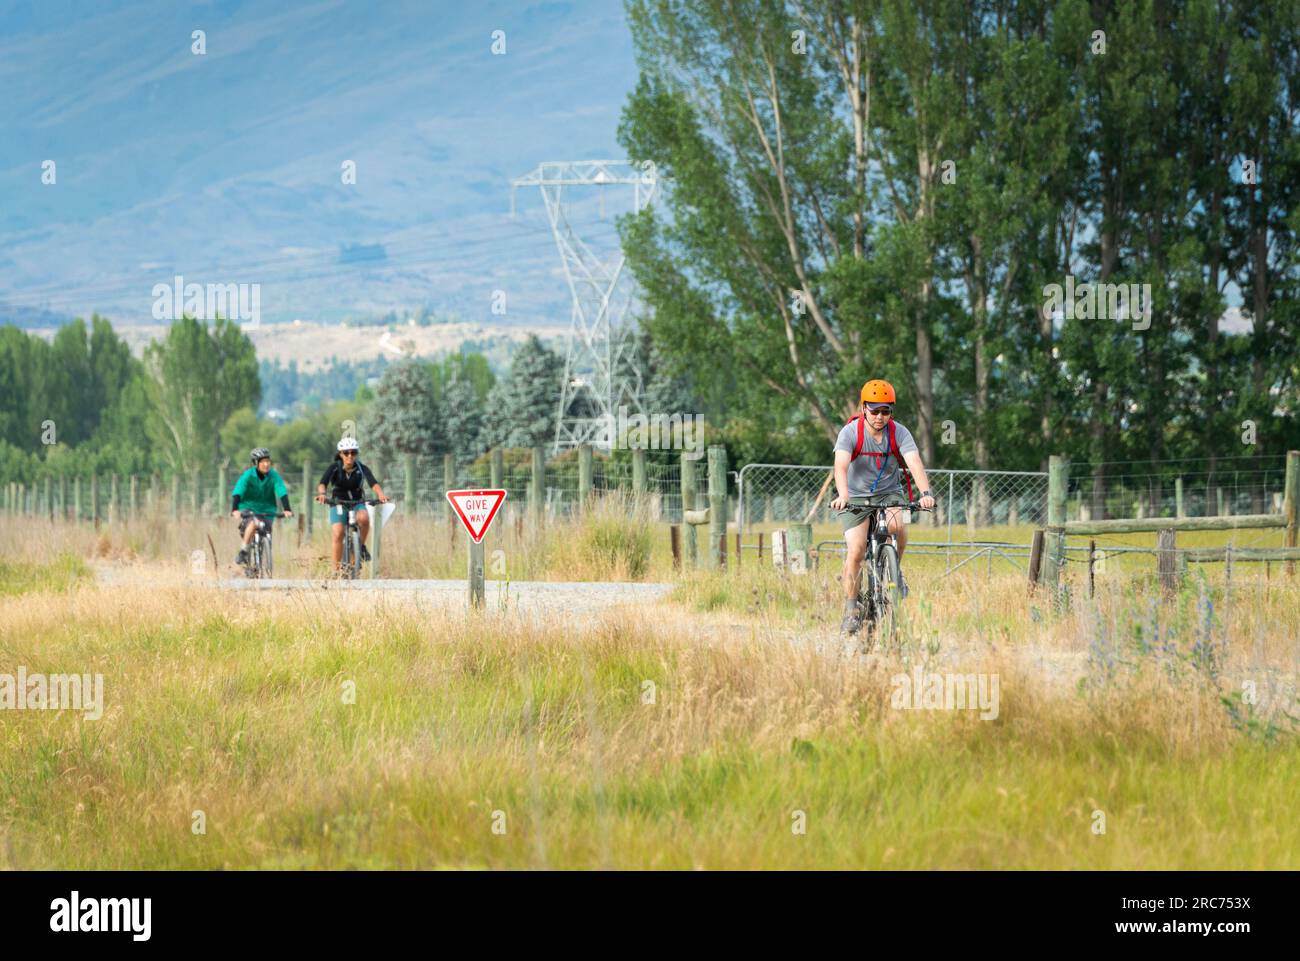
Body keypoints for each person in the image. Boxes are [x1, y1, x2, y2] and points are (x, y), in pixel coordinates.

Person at [829, 380, 936, 633]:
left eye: (885, 411)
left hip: (889, 493)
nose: (880, 416)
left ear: (891, 412)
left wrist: (926, 493)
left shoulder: (899, 432)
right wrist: (843, 495)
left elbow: (914, 462)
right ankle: (852, 609)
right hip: (854, 496)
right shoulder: (850, 433)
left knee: (898, 525)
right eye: (875, 410)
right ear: (864, 408)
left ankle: (894, 571)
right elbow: (840, 466)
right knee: (855, 551)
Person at [315, 437, 389, 572]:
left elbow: (373, 482)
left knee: (364, 518)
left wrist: (381, 495)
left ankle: (359, 546)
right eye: (346, 452)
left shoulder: (362, 468)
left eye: (353, 452)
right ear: (340, 454)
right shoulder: (334, 468)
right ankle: (336, 570)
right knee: (338, 533)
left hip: (357, 502)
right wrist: (322, 494)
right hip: (338, 503)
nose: (350, 456)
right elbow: (323, 483)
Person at [230, 447, 293, 566]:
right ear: (256, 463)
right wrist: (235, 509)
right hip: (249, 508)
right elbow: (238, 491)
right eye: (263, 461)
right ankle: (243, 551)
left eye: (268, 461)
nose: (266, 464)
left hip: (268, 509)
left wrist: (287, 509)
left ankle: (264, 558)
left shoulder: (273, 475)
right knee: (254, 523)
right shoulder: (248, 475)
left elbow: (281, 490)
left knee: (267, 531)